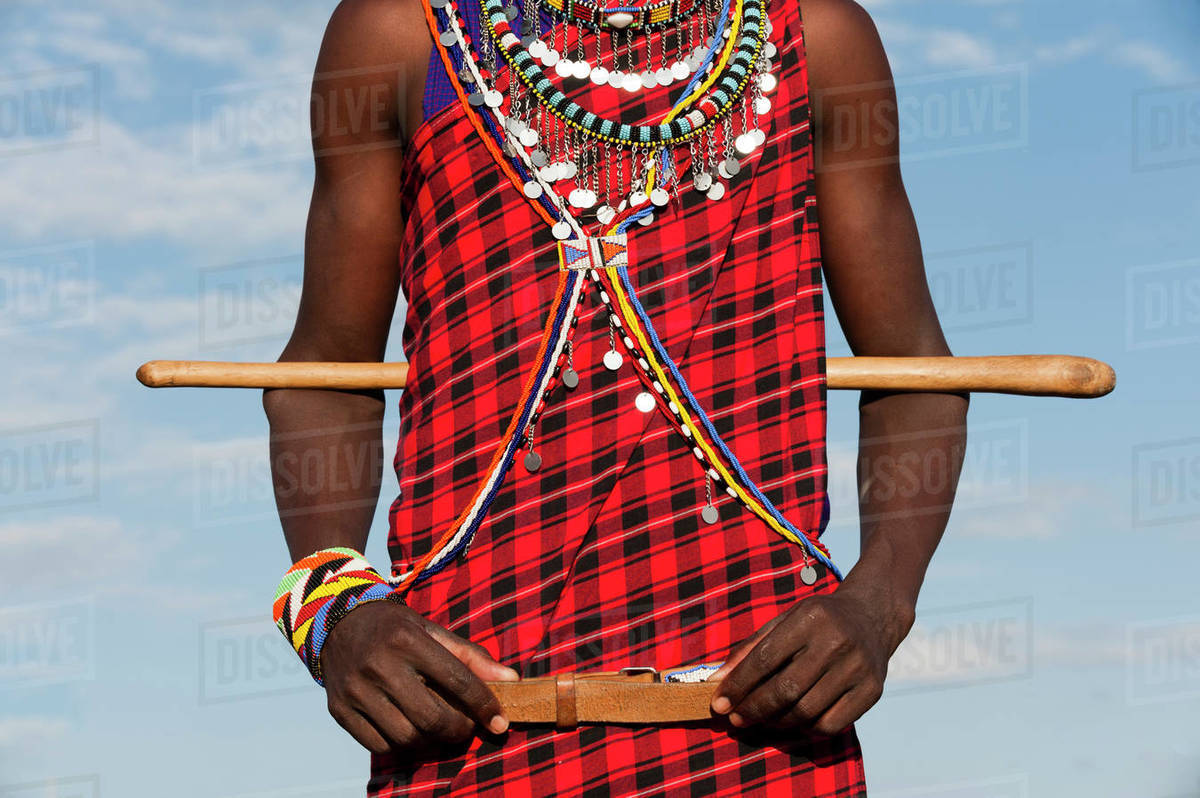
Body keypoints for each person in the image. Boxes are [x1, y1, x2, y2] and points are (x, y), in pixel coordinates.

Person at [263, 0, 969, 793]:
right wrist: (332, 611)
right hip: (463, 725)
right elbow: (325, 373)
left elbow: (917, 375)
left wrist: (880, 605)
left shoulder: (820, 42)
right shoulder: (397, 36)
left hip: (766, 730)